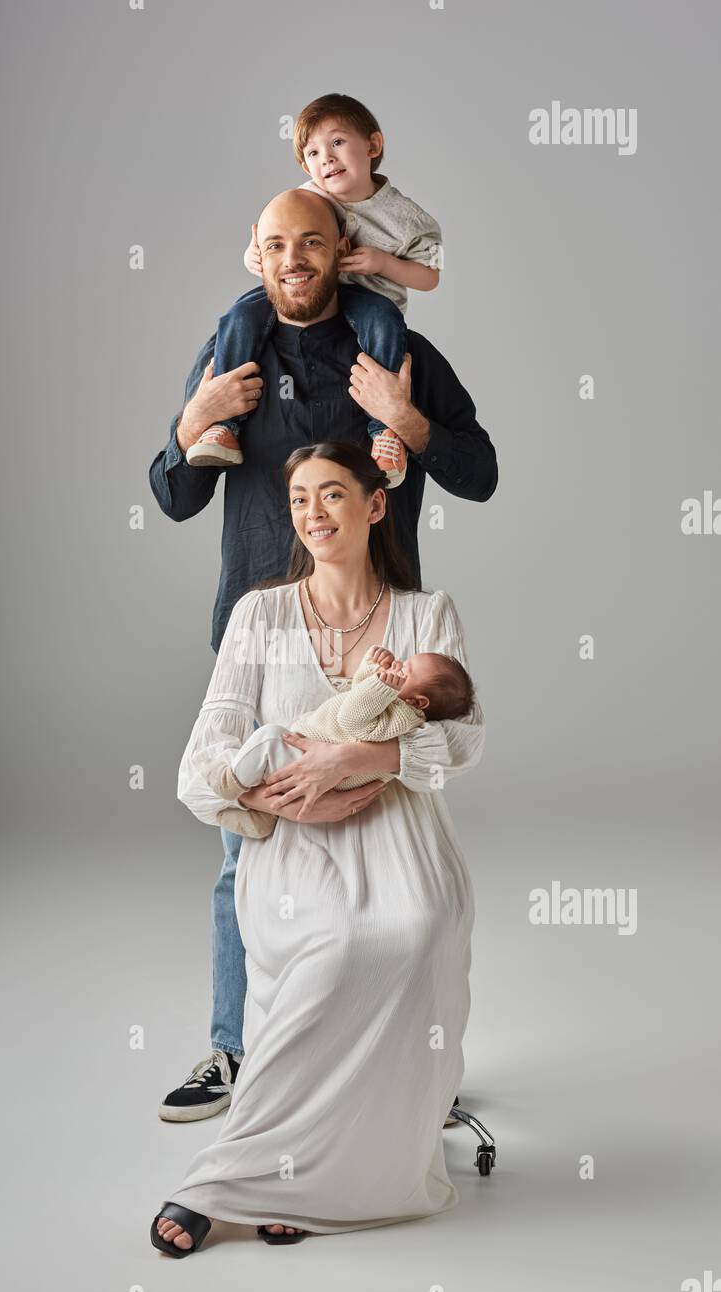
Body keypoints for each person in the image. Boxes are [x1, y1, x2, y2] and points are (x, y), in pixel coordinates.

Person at [148, 183, 497, 1133]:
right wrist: (191, 426)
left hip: (380, 629)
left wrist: (408, 418)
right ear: (254, 256)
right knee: (247, 851)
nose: (293, 259)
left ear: (342, 246)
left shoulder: (400, 354)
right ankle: (239, 1045)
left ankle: (409, 1052)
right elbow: (172, 495)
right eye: (275, 245)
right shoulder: (234, 352)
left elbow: (480, 472)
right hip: (260, 631)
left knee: (388, 846)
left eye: (311, 241)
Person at [151, 440, 485, 1255]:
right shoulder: (257, 615)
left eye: (332, 495)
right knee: (332, 948)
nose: (313, 514)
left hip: (400, 839)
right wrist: (265, 792)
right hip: (296, 848)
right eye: (299, 499)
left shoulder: (425, 612)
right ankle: (234, 1176)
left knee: (415, 930)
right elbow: (205, 757)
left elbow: (465, 736)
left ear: (375, 505)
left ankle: (347, 1171)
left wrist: (362, 758)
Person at [185, 92, 443, 487]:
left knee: (385, 324)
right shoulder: (309, 197)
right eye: (314, 153)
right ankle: (223, 427)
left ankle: (385, 431)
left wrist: (384, 264)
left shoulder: (404, 217)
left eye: (338, 143)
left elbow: (430, 275)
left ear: (373, 145)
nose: (327, 159)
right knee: (238, 315)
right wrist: (252, 254)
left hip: (368, 299)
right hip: (310, 294)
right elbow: (272, 238)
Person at [196, 644, 474, 838]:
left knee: (267, 738)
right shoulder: (393, 703)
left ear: (417, 701)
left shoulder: (401, 716)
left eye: (406, 670)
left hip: (314, 765)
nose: (398, 665)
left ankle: (230, 785)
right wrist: (372, 667)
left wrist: (381, 686)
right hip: (314, 760)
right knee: (267, 752)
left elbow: (352, 718)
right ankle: (261, 816)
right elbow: (359, 690)